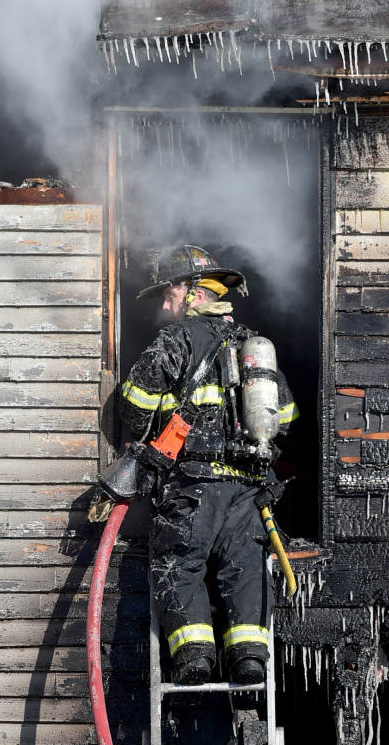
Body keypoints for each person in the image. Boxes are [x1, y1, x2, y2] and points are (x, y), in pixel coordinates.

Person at [120, 244, 299, 686]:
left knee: (179, 564)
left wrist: (158, 419)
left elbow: (134, 409)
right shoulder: (253, 346)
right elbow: (287, 418)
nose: (165, 303)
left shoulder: (176, 340)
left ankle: (194, 657)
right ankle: (249, 658)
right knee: (246, 567)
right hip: (247, 489)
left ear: (195, 293)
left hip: (193, 486)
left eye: (170, 293)